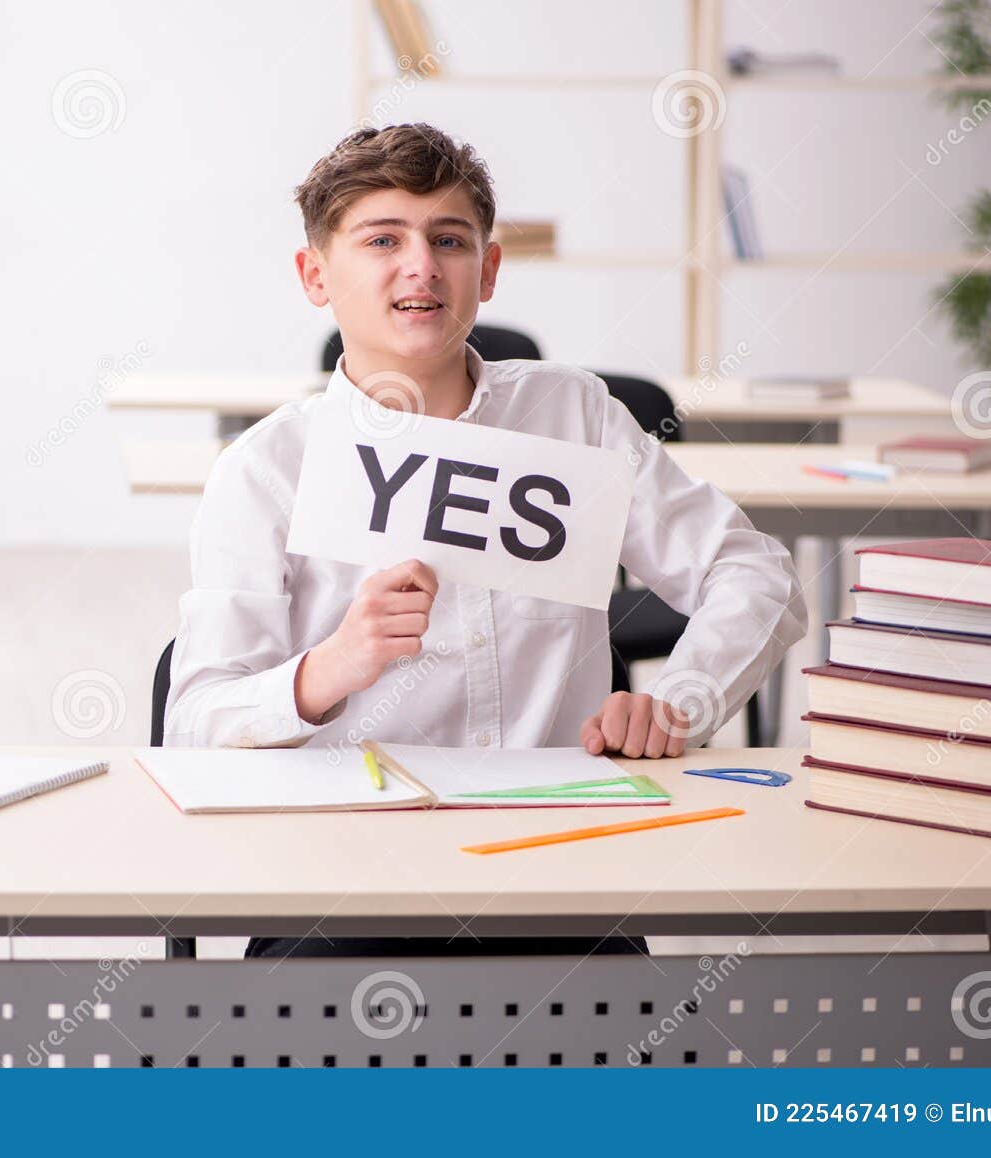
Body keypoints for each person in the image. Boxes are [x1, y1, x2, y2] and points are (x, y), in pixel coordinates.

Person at [163, 124, 807, 959]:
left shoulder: (573, 418)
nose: (421, 266)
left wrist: (681, 699)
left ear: (488, 270)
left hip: (559, 869)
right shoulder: (265, 470)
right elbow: (193, 728)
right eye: (383, 239)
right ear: (315, 276)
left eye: (449, 239)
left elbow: (754, 572)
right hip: (343, 881)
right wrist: (329, 670)